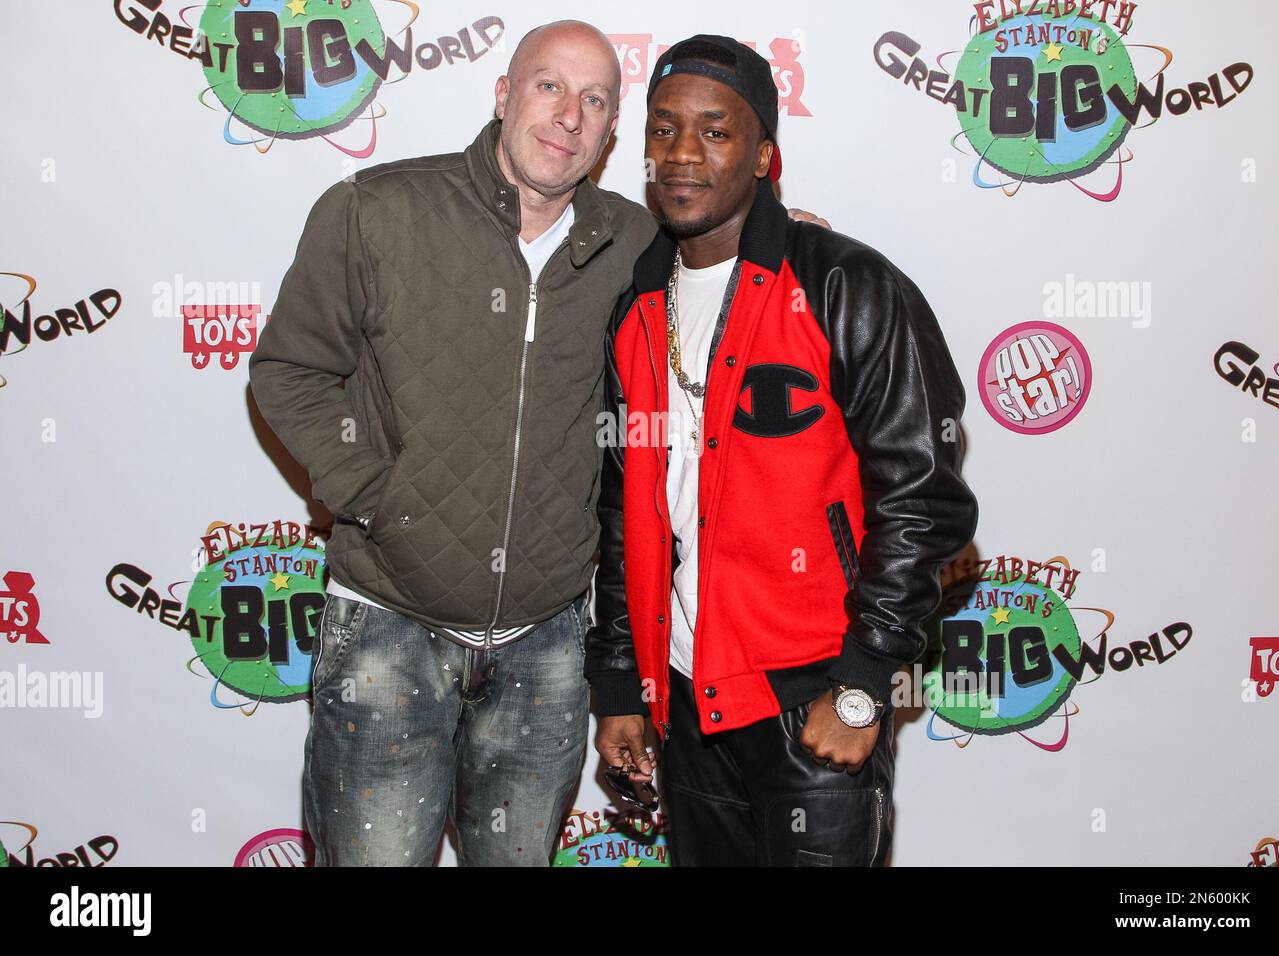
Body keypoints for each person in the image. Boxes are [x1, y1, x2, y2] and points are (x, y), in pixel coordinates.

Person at [250, 20, 824, 867]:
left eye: (596, 100)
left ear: (610, 134)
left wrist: (790, 232)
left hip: (549, 646)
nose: (569, 115)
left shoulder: (636, 242)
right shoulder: (377, 210)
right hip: (387, 630)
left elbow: (734, 241)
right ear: (504, 96)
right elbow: (289, 372)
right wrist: (376, 498)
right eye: (550, 86)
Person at [585, 35, 980, 866]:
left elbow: (923, 499)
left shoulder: (846, 285)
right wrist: (624, 684)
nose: (683, 154)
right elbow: (627, 517)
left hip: (815, 703)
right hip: (686, 704)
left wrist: (866, 686)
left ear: (765, 154)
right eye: (662, 131)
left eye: (715, 130)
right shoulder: (636, 311)